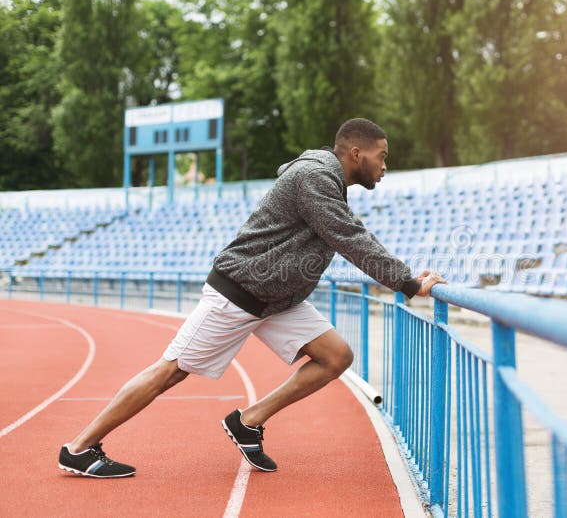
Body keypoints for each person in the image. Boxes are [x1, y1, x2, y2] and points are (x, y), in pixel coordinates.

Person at [57, 118, 447, 478]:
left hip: (276, 299)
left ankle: (247, 421)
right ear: (356, 153)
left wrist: (406, 278)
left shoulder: (328, 182)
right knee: (170, 371)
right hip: (239, 293)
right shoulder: (314, 176)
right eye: (382, 157)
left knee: (336, 356)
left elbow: (346, 233)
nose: (384, 167)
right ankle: (80, 447)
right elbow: (349, 237)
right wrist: (408, 284)